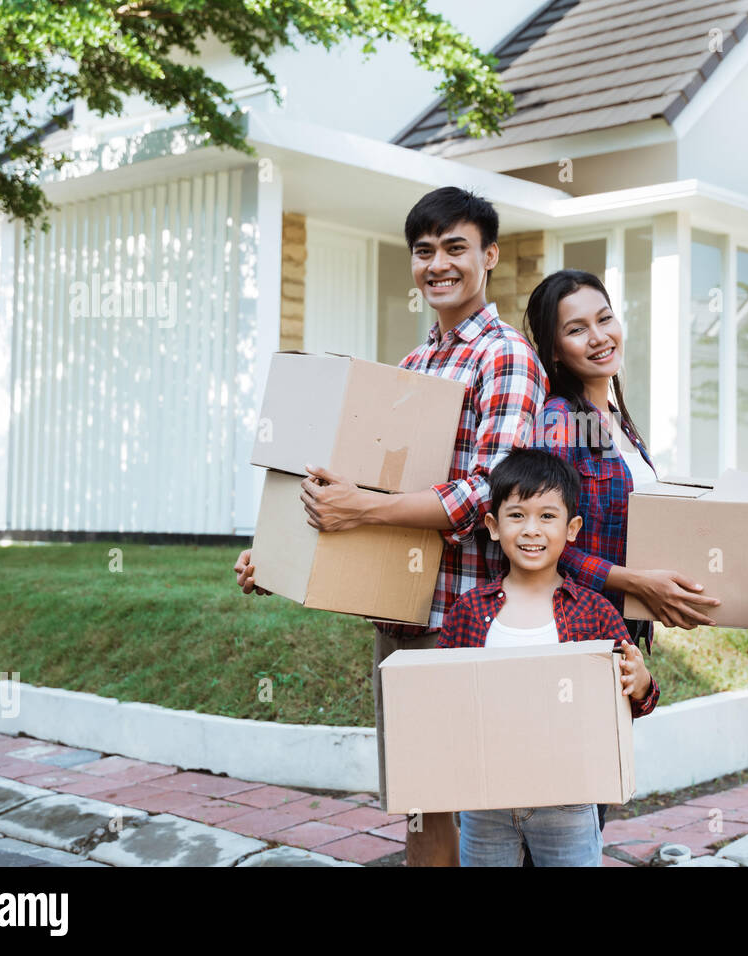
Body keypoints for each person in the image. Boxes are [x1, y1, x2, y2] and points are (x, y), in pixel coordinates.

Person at [233, 187, 546, 867]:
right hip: (402, 615)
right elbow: (356, 486)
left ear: (489, 256)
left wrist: (362, 509)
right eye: (424, 251)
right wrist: (281, 555)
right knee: (418, 800)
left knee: (482, 802)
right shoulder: (413, 366)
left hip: (467, 618)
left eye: (455, 248)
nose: (438, 264)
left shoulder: (506, 357)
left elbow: (491, 495)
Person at [523, 268, 720, 835]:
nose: (599, 335)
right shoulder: (562, 422)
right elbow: (543, 544)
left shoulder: (615, 421)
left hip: (611, 634)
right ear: (555, 351)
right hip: (570, 637)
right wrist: (636, 583)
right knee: (567, 814)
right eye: (577, 329)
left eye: (604, 318)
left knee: (588, 806)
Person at [438, 448, 658, 866]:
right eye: (516, 515)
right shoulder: (468, 610)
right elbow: (442, 696)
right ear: (492, 526)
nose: (531, 530)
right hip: (486, 800)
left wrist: (641, 681)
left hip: (569, 800)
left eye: (547, 516)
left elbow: (637, 701)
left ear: (572, 528)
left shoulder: (593, 611)